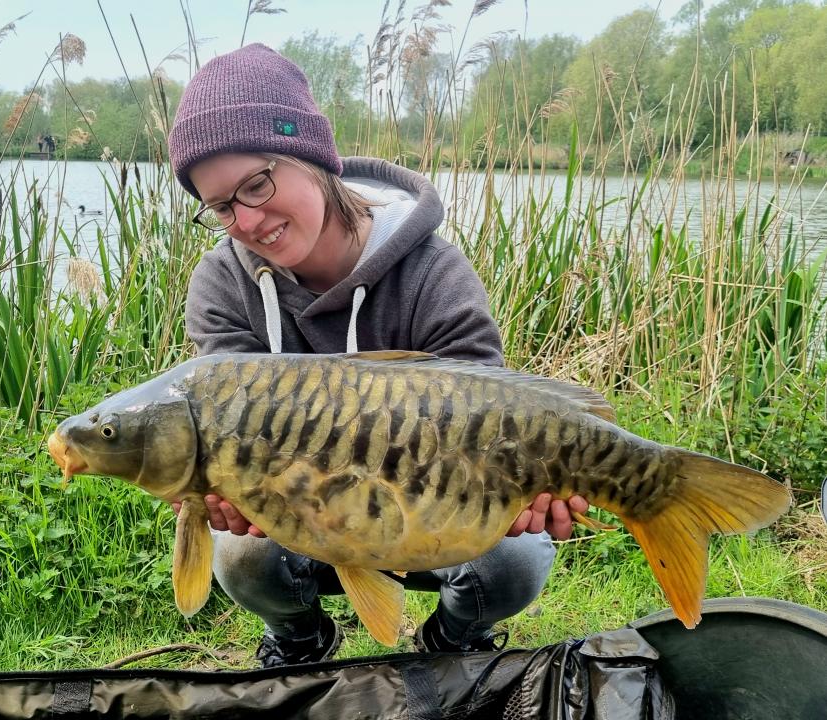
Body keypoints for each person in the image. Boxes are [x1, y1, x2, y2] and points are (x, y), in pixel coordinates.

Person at [167, 43, 588, 668]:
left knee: (518, 555)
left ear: (311, 158)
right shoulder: (222, 285)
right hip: (302, 521)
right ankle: (300, 636)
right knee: (241, 552)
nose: (248, 220)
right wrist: (224, 488)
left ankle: (452, 641)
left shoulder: (432, 270)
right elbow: (228, 422)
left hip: (433, 514)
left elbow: (486, 409)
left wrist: (525, 485)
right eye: (222, 206)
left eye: (257, 184)